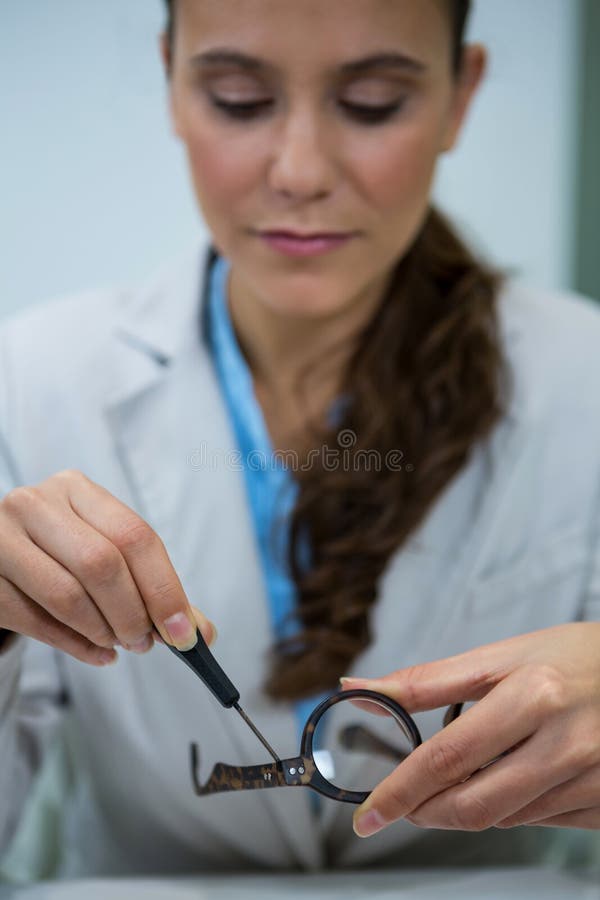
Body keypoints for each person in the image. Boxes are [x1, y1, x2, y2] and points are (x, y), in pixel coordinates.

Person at [1, 0, 599, 882]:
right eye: (241, 100)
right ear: (171, 82)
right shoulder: (32, 379)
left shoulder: (582, 375)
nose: (300, 170)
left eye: (372, 104)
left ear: (460, 97)